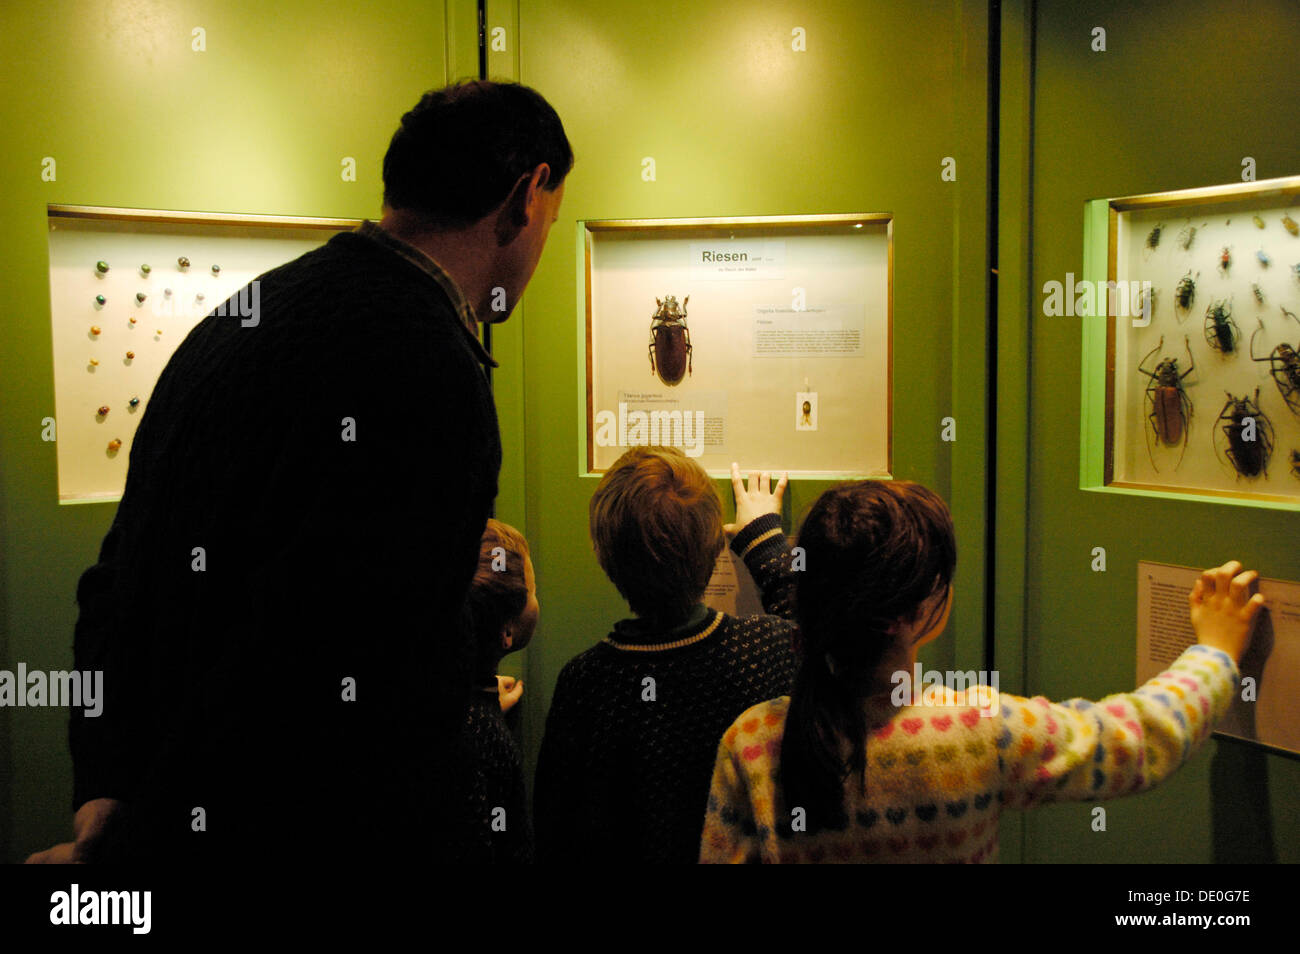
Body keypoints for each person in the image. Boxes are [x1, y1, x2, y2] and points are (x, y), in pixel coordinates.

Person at [28, 80, 571, 864]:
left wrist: (107, 792)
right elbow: (345, 678)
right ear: (527, 196)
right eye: (550, 222)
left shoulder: (239, 318)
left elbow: (121, 579)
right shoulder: (434, 370)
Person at [700, 468, 1265, 863]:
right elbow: (1138, 741)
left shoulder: (751, 741)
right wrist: (1216, 650)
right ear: (925, 608)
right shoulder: (976, 732)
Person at [533, 446, 798, 863]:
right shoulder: (768, 647)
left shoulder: (584, 682)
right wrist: (765, 541)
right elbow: (820, 640)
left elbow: (554, 827)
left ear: (602, 556)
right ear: (716, 549)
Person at [460, 519, 539, 863]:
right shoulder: (487, 738)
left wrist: (484, 703)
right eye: (533, 592)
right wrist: (486, 720)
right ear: (507, 629)